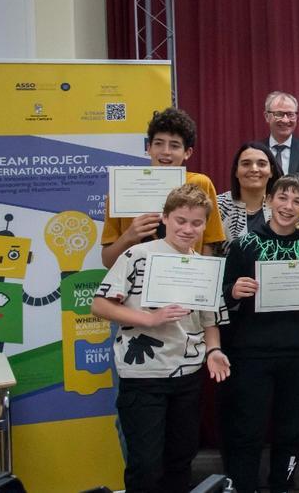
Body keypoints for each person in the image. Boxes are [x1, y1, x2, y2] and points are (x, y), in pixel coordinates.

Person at [92, 184, 231, 492]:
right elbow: (99, 304)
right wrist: (149, 318)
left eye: (196, 223)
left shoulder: (204, 267)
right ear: (165, 218)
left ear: (205, 225)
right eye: (181, 220)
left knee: (181, 460)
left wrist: (214, 351)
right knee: (145, 466)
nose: (188, 229)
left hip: (188, 377)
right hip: (143, 377)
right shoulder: (137, 255)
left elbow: (210, 321)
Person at [219, 175, 299, 493]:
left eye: (297, 201)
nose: (288, 206)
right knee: (247, 429)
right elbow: (216, 297)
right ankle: (244, 486)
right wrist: (233, 290)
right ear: (269, 201)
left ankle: (282, 485)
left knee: (290, 431)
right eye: (282, 198)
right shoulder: (242, 245)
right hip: (251, 353)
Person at [101, 107, 227, 268]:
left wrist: (198, 277)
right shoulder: (122, 189)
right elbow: (107, 261)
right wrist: (129, 236)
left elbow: (209, 244)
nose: (165, 152)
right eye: (159, 144)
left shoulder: (200, 184)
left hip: (184, 280)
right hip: (134, 285)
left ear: (187, 152)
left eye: (174, 146)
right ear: (149, 148)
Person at [216, 141, 283, 250]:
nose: (254, 169)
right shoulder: (218, 206)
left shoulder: (283, 206)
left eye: (261, 164)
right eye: (246, 164)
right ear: (236, 171)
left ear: (271, 171)